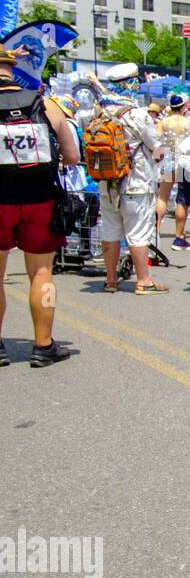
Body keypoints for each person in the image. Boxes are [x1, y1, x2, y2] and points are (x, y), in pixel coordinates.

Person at [0, 48, 83, 367]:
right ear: (12, 68)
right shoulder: (45, 104)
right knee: (42, 272)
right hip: (40, 200)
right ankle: (43, 345)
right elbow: (73, 158)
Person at [88, 66, 167, 294]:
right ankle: (144, 281)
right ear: (131, 84)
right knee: (138, 233)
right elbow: (157, 148)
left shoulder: (99, 113)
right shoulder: (136, 113)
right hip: (136, 183)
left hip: (106, 183)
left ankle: (111, 280)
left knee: (110, 231)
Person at [154, 93, 190, 249]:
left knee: (163, 196)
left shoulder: (163, 123)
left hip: (168, 161)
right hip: (186, 161)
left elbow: (156, 142)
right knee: (183, 199)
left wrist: (156, 159)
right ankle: (179, 234)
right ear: (183, 106)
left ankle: (156, 231)